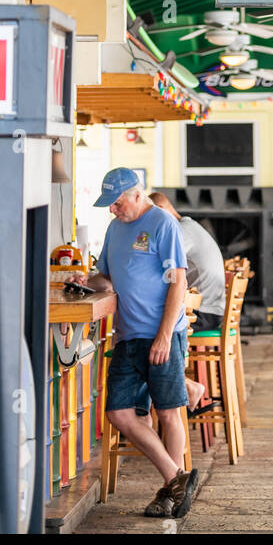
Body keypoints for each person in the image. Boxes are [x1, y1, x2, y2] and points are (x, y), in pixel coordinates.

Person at [86, 168, 199, 519]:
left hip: (161, 334)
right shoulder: (115, 228)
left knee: (167, 412)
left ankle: (169, 495)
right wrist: (86, 279)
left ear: (137, 195)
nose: (112, 210)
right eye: (109, 205)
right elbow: (105, 275)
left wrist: (165, 336)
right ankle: (176, 479)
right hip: (127, 335)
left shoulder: (163, 224)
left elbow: (178, 283)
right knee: (119, 413)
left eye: (117, 203)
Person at [149, 192, 226, 333]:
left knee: (151, 326)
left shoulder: (181, 231)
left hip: (204, 313)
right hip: (213, 309)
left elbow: (159, 263)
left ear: (160, 209)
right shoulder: (189, 225)